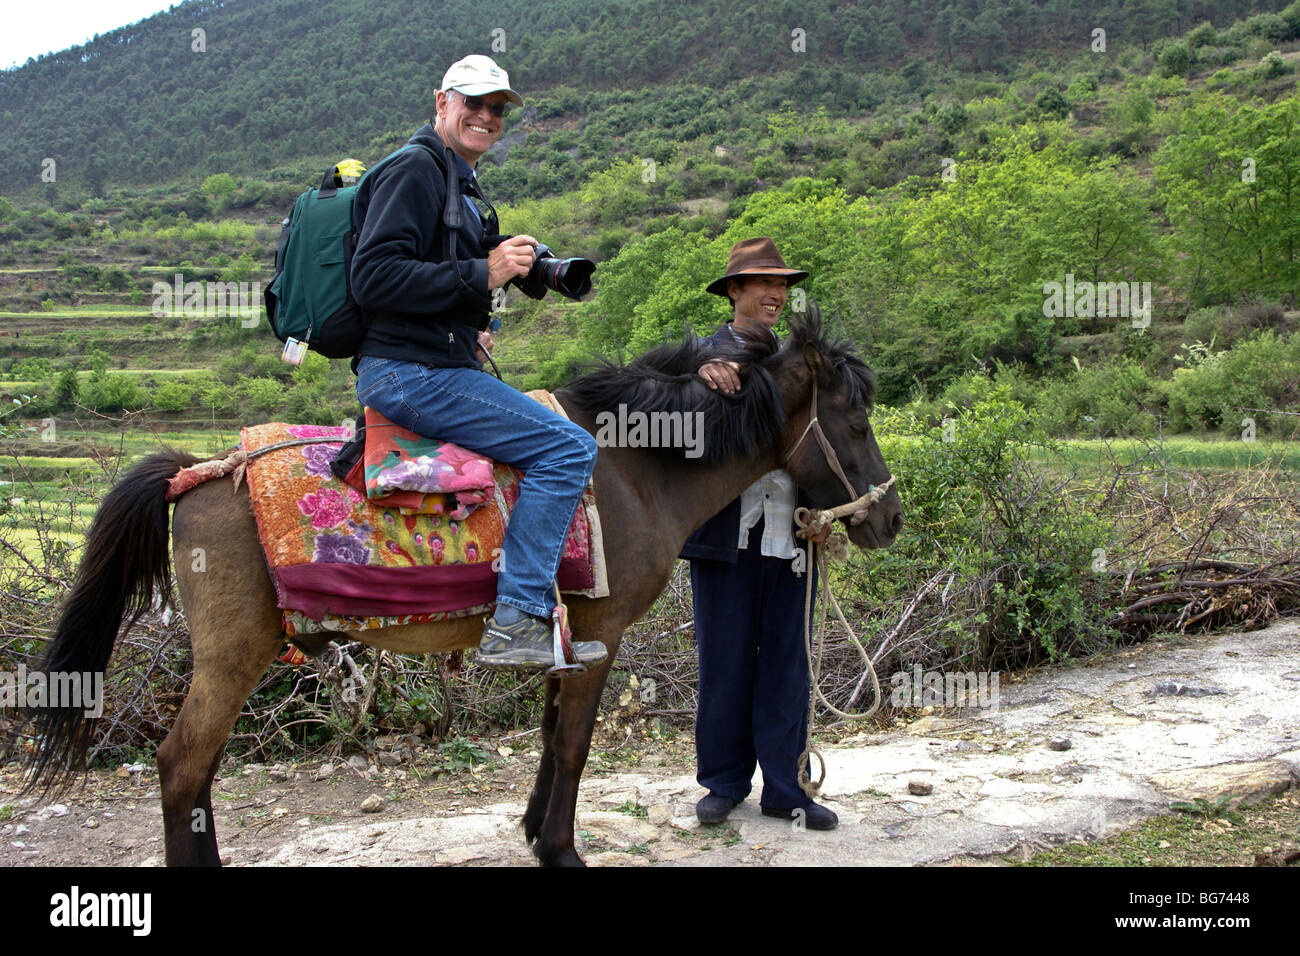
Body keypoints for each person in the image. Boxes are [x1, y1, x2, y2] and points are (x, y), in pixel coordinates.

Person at [348, 54, 606, 671]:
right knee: (569, 448)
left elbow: (440, 273)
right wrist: (483, 271)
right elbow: (373, 278)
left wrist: (504, 273)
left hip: (436, 363)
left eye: (497, 108)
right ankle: (517, 616)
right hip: (410, 371)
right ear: (442, 102)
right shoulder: (415, 169)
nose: (486, 116)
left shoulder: (457, 181)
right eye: (474, 103)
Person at [682, 237, 839, 830]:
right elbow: (668, 402)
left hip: (792, 536)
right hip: (725, 536)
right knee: (724, 662)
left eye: (783, 286)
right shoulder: (700, 355)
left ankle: (786, 789)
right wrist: (698, 371)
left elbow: (826, 444)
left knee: (787, 663)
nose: (777, 294)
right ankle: (723, 782)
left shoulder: (803, 362)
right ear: (734, 291)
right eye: (763, 284)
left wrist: (829, 512)